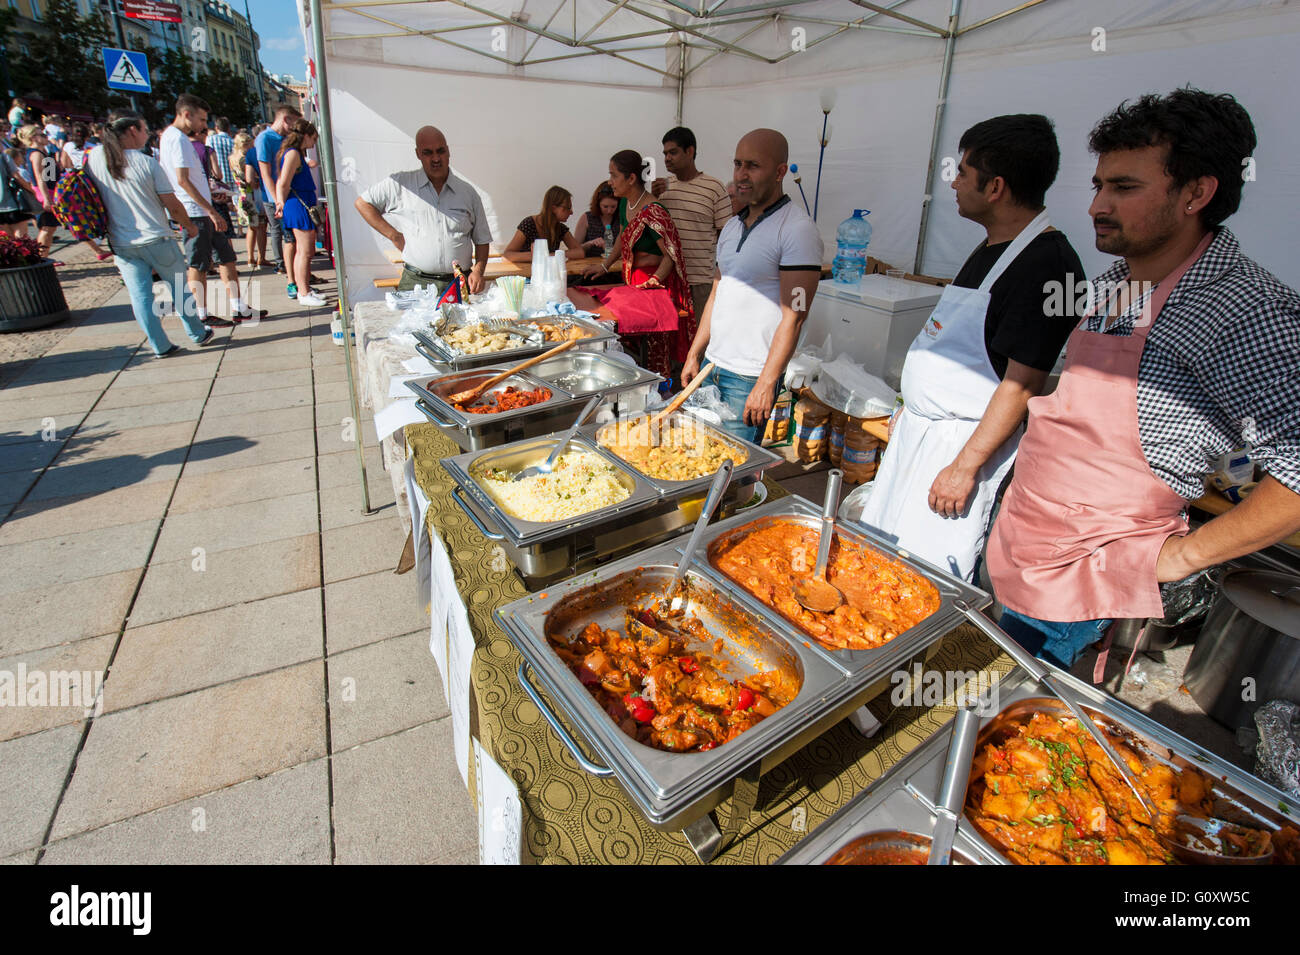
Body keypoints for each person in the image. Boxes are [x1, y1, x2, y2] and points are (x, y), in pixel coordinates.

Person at [986, 89, 1300, 668]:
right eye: (1099, 186)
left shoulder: (1246, 312)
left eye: (1124, 188)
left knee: (1013, 716)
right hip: (1026, 534)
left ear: (1196, 193)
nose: (1097, 205)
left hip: (1085, 576)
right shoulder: (1116, 279)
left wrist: (1184, 557)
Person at [859, 114, 1084, 583]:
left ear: (995, 186)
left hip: (964, 447)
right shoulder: (992, 249)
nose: (955, 184)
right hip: (922, 435)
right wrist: (908, 405)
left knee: (928, 575)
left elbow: (1022, 386)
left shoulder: (1049, 265)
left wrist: (963, 468)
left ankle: (926, 658)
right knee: (882, 558)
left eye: (962, 172)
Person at [680, 129, 822, 442]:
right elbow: (718, 293)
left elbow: (795, 315)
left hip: (748, 378)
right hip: (711, 366)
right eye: (737, 164)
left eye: (753, 166)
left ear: (780, 171)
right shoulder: (732, 226)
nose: (742, 175)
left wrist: (767, 382)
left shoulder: (797, 230)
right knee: (695, 457)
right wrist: (695, 353)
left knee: (732, 473)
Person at [85, 112, 214, 356]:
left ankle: (159, 345)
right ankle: (197, 332)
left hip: (121, 242)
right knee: (179, 288)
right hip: (156, 237)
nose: (147, 135)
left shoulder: (94, 159)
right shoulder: (146, 162)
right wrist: (189, 225)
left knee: (140, 296)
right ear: (133, 131)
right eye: (145, 130)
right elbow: (172, 204)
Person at [581, 149, 692, 378]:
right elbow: (623, 235)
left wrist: (653, 282)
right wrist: (604, 266)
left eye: (614, 176)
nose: (610, 182)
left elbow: (669, 255)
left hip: (654, 284)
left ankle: (658, 389)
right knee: (629, 341)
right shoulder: (624, 204)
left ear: (631, 178)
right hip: (633, 281)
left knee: (653, 347)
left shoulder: (653, 211)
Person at [159, 93, 265, 327]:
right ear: (186, 114)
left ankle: (239, 308)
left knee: (227, 258)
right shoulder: (175, 139)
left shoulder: (177, 138)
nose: (203, 126)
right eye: (201, 120)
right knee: (198, 264)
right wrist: (211, 211)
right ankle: (201, 314)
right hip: (195, 213)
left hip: (203, 209)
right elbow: (182, 180)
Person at [354, 125, 491, 294]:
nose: (435, 158)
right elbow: (363, 203)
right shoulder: (401, 185)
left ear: (448, 152)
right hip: (416, 283)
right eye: (428, 152)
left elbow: (482, 239)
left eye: (440, 151)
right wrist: (394, 236)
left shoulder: (468, 193)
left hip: (459, 283)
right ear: (418, 154)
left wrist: (478, 270)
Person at [652, 126, 732, 321]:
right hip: (668, 279)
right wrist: (652, 198)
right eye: (664, 153)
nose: (667, 158)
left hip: (699, 281)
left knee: (699, 339)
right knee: (671, 342)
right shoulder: (663, 187)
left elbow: (728, 236)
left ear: (690, 151)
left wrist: (722, 277)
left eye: (673, 152)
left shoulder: (714, 187)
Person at [274, 119, 327, 307]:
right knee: (304, 252)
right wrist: (280, 202)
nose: (313, 143)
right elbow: (283, 182)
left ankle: (304, 289)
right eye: (313, 139)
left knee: (303, 252)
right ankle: (303, 292)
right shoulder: (293, 154)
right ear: (305, 136)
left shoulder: (293, 153)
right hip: (298, 205)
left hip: (298, 204)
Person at [255, 105, 302, 289]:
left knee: (295, 239)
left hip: (289, 196)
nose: (294, 128)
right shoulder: (264, 138)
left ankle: (298, 275)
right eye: (294, 123)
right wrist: (277, 200)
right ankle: (289, 276)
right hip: (276, 198)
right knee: (287, 238)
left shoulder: (285, 138)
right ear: (286, 119)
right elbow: (265, 174)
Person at [501, 185, 583, 262]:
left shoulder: (560, 228)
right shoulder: (529, 224)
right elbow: (507, 255)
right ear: (554, 208)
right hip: (526, 274)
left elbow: (580, 252)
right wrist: (535, 256)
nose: (571, 212)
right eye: (568, 208)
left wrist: (549, 255)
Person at [16, 125, 61, 261]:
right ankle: (40, 258)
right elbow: (39, 178)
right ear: (33, 138)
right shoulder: (36, 154)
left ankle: (43, 257)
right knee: (47, 227)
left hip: (50, 191)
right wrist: (46, 198)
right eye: (42, 135)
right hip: (44, 194)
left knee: (50, 227)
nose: (46, 137)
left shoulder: (41, 152)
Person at [230, 132, 266, 268]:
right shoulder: (245, 159)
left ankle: (250, 257)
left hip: (242, 195)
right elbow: (251, 179)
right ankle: (260, 258)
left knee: (251, 228)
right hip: (252, 195)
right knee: (261, 226)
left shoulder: (232, 158)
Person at [573, 182, 619, 256]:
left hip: (615, 264)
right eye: (605, 206)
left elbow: (625, 251)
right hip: (589, 264)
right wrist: (589, 244)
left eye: (613, 206)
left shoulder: (620, 218)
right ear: (597, 204)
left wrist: (606, 247)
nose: (609, 211)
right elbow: (574, 250)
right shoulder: (587, 218)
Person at [207, 117, 235, 195]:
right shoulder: (233, 142)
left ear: (216, 127)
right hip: (233, 178)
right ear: (228, 128)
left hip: (219, 179)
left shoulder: (211, 140)